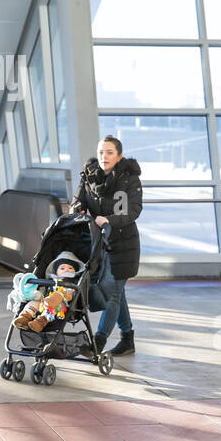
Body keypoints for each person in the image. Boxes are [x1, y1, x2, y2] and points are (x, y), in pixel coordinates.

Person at [70, 135, 142, 356]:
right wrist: (78, 209)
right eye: (101, 152)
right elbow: (78, 200)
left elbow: (133, 210)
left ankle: (97, 343)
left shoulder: (129, 179)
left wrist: (110, 219)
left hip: (123, 245)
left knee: (112, 293)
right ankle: (127, 338)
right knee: (118, 293)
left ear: (119, 156)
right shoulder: (89, 176)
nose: (104, 156)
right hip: (99, 244)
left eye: (109, 152)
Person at [12, 259, 78, 332]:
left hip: (59, 305)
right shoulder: (50, 279)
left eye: (70, 268)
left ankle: (40, 322)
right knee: (33, 302)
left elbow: (71, 294)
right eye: (62, 268)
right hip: (44, 300)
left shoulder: (73, 283)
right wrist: (36, 294)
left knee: (52, 309)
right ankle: (25, 317)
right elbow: (43, 290)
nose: (66, 270)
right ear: (56, 271)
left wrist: (60, 296)